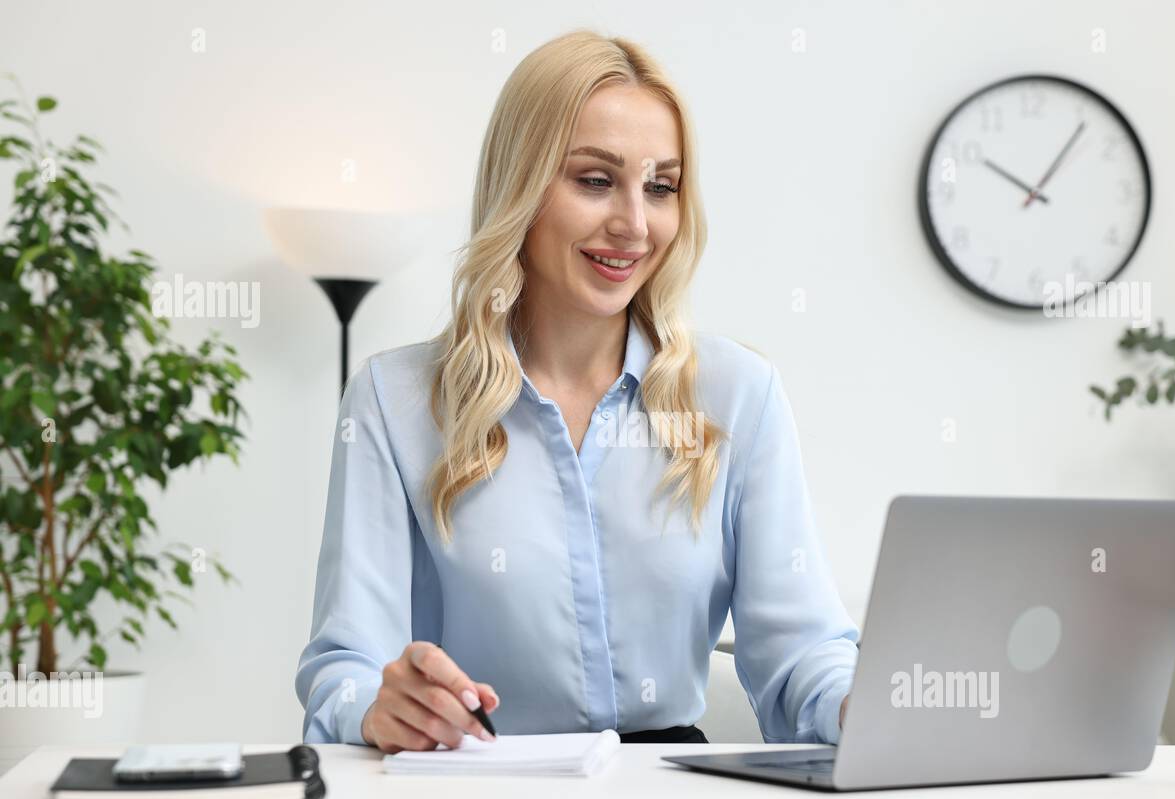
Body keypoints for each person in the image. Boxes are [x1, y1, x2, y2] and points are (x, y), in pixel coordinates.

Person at [295, 29, 858, 752]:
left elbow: (805, 656)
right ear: (521, 188)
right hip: (470, 786)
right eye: (595, 180)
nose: (634, 224)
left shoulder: (739, 394)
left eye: (661, 187)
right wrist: (379, 707)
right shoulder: (392, 401)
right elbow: (344, 670)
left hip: (667, 794)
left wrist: (863, 706)